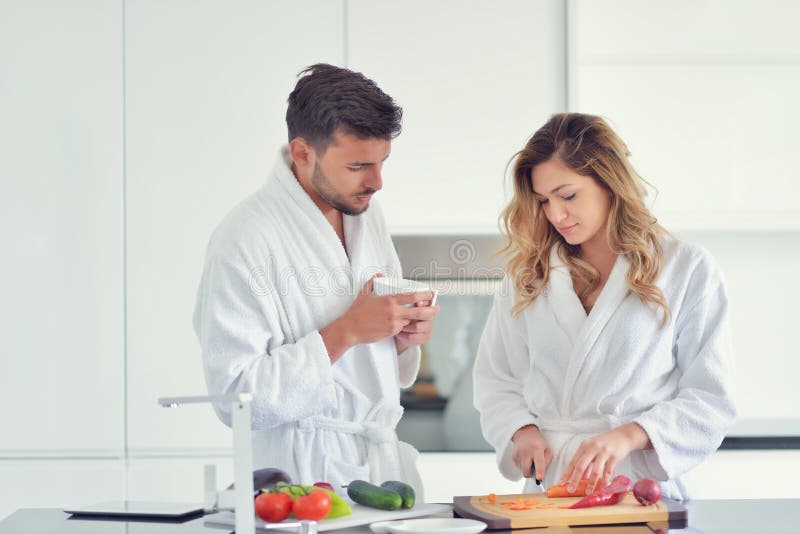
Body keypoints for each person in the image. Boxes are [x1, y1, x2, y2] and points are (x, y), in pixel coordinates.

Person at [193, 64, 439, 498]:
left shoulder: (366, 216)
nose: (377, 182)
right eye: (359, 165)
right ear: (303, 153)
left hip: (383, 476)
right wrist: (346, 331)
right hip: (297, 480)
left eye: (382, 163)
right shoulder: (245, 238)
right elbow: (235, 399)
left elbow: (371, 352)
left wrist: (399, 337)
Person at [473, 112, 735, 501]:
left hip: (639, 489)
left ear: (609, 182)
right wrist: (521, 430)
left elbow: (710, 398)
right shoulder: (529, 276)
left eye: (568, 195)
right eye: (543, 201)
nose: (555, 215)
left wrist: (628, 436)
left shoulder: (685, 269)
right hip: (552, 490)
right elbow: (497, 379)